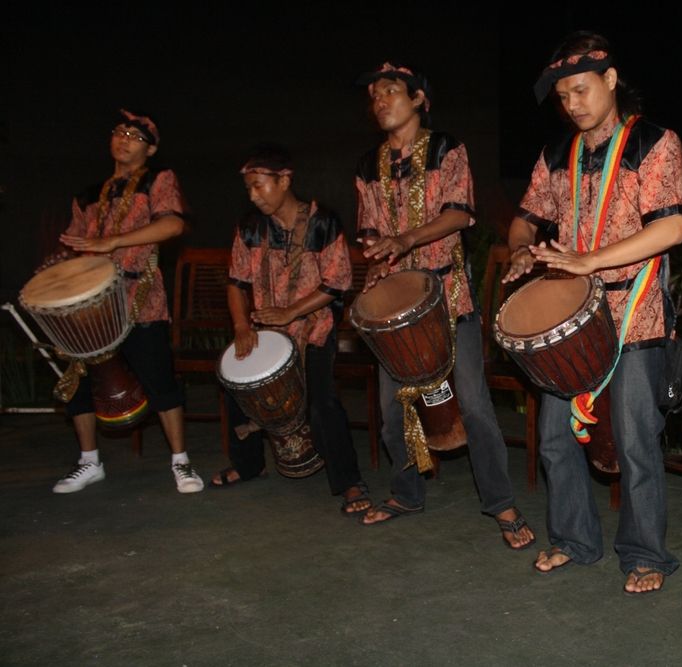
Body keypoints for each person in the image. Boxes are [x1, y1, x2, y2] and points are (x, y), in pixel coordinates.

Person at [504, 31, 682, 593]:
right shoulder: (556, 154)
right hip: (569, 315)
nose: (572, 105)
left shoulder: (655, 143)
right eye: (563, 96)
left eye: (581, 91)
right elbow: (526, 216)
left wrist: (589, 260)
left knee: (635, 438)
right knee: (556, 437)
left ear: (611, 81)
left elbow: (672, 227)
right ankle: (573, 539)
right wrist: (518, 245)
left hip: (633, 310)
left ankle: (644, 554)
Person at [354, 62, 534, 550]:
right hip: (397, 306)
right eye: (373, 95)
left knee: (474, 406)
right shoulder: (368, 165)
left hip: (449, 297)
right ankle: (406, 494)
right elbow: (370, 232)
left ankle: (501, 503)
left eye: (390, 91)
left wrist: (405, 238)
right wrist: (375, 259)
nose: (380, 100)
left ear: (418, 99)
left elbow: (460, 213)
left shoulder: (446, 148)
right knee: (394, 412)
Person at [213, 145, 371, 515]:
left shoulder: (322, 222)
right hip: (265, 327)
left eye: (259, 185)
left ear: (284, 180)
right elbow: (236, 282)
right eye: (248, 188)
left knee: (322, 404)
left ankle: (349, 481)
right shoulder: (250, 227)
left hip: (314, 327)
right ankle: (248, 464)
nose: (253, 195)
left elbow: (337, 282)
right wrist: (240, 326)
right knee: (236, 383)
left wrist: (290, 312)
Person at [53, 109, 204, 494]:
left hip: (140, 297)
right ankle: (89, 462)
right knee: (82, 384)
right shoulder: (87, 195)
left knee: (158, 380)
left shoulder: (159, 180)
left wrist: (113, 242)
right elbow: (74, 241)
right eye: (119, 132)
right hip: (90, 306)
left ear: (151, 150)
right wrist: (59, 266)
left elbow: (173, 224)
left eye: (135, 136)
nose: (123, 139)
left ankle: (181, 463)